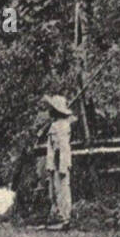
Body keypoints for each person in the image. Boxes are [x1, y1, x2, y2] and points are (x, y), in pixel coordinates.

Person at [44, 94, 74, 229]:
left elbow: (63, 147)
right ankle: (58, 216)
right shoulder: (55, 125)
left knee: (63, 189)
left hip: (60, 161)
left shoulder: (61, 126)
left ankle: (65, 218)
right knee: (56, 189)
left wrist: (61, 166)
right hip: (55, 161)